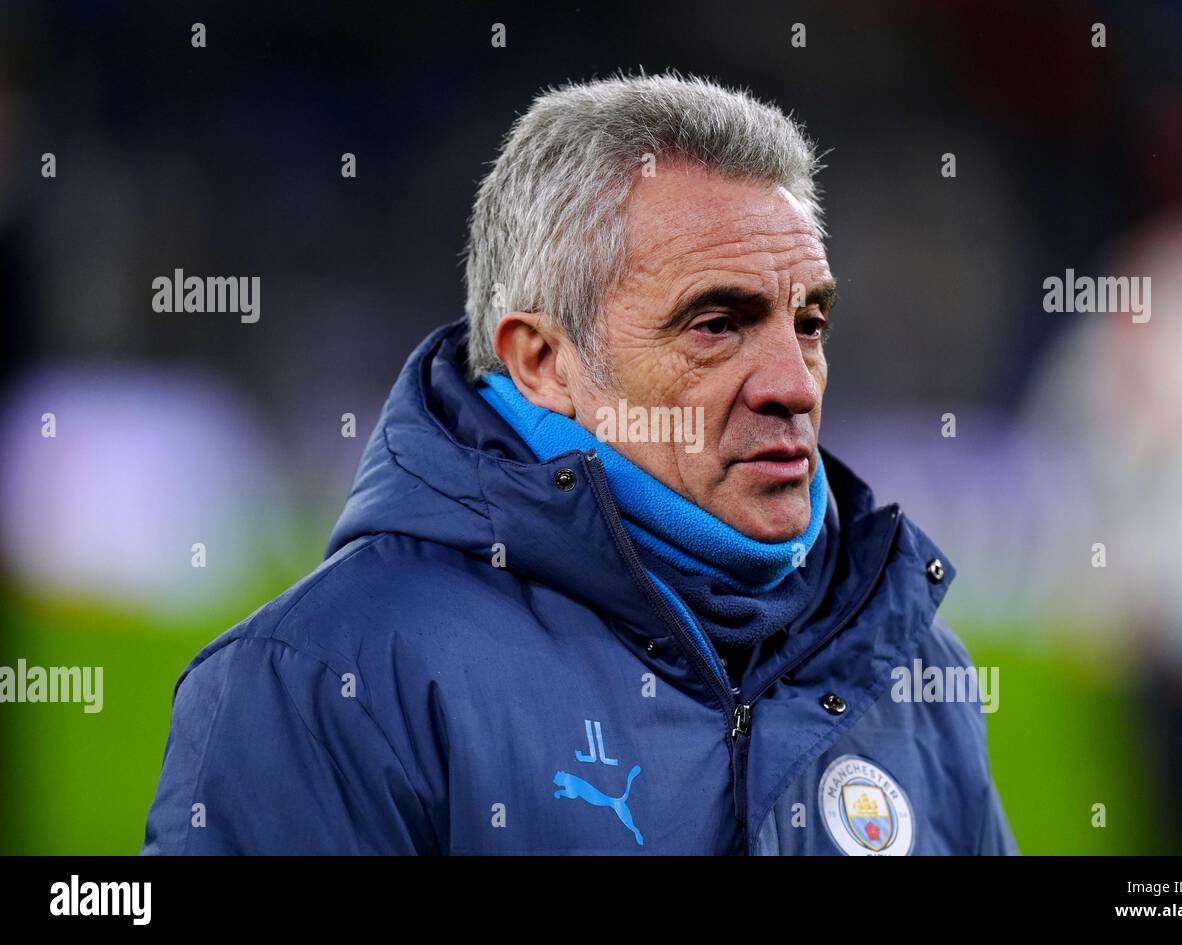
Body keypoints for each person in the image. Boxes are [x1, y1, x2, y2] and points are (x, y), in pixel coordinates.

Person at [140, 71, 1016, 855]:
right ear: (542, 362)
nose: (794, 384)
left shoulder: (904, 662)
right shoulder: (324, 679)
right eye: (716, 324)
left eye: (810, 324)